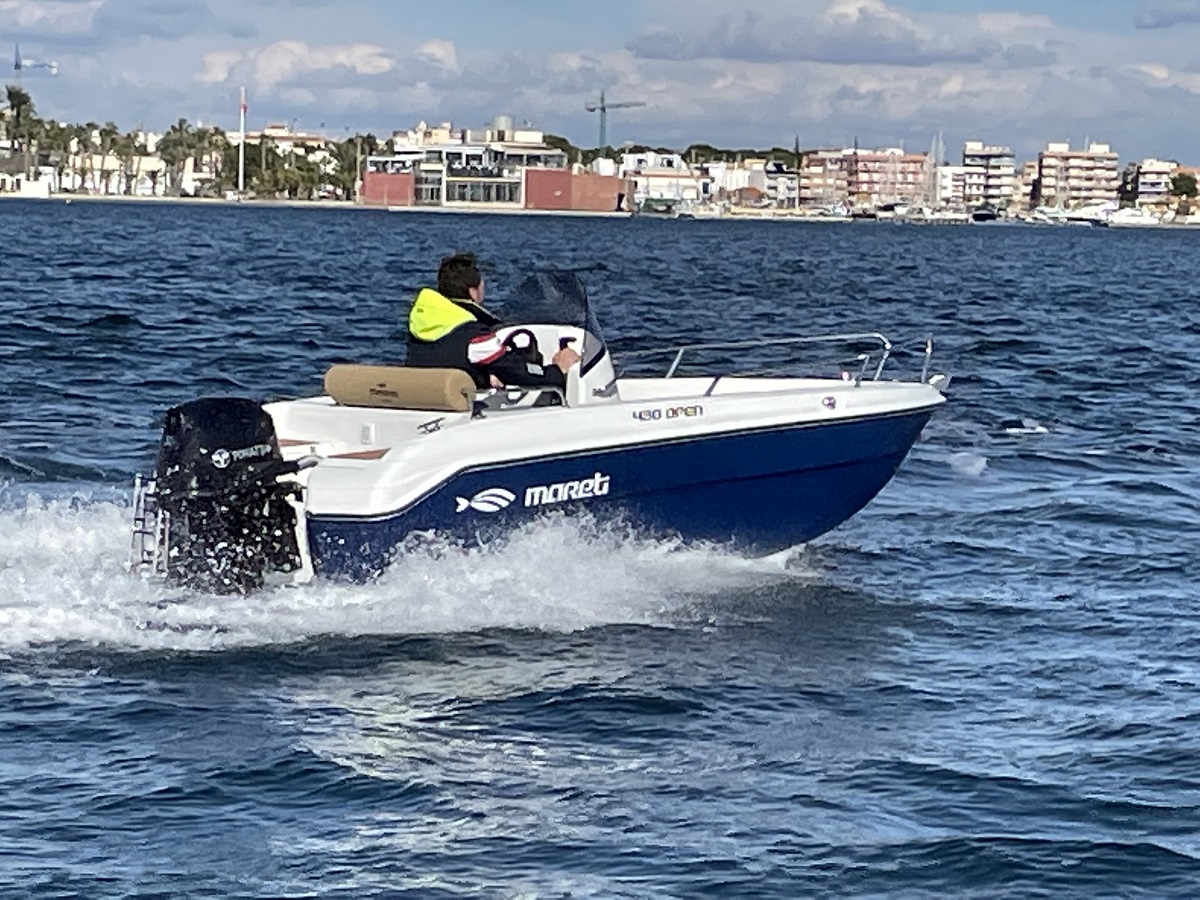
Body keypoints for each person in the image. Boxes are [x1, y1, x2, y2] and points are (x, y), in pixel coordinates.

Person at [406, 252, 581, 389]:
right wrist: (557, 370)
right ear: (473, 292)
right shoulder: (474, 337)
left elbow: (447, 360)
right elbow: (518, 373)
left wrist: (484, 377)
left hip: (429, 401)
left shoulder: (422, 325)